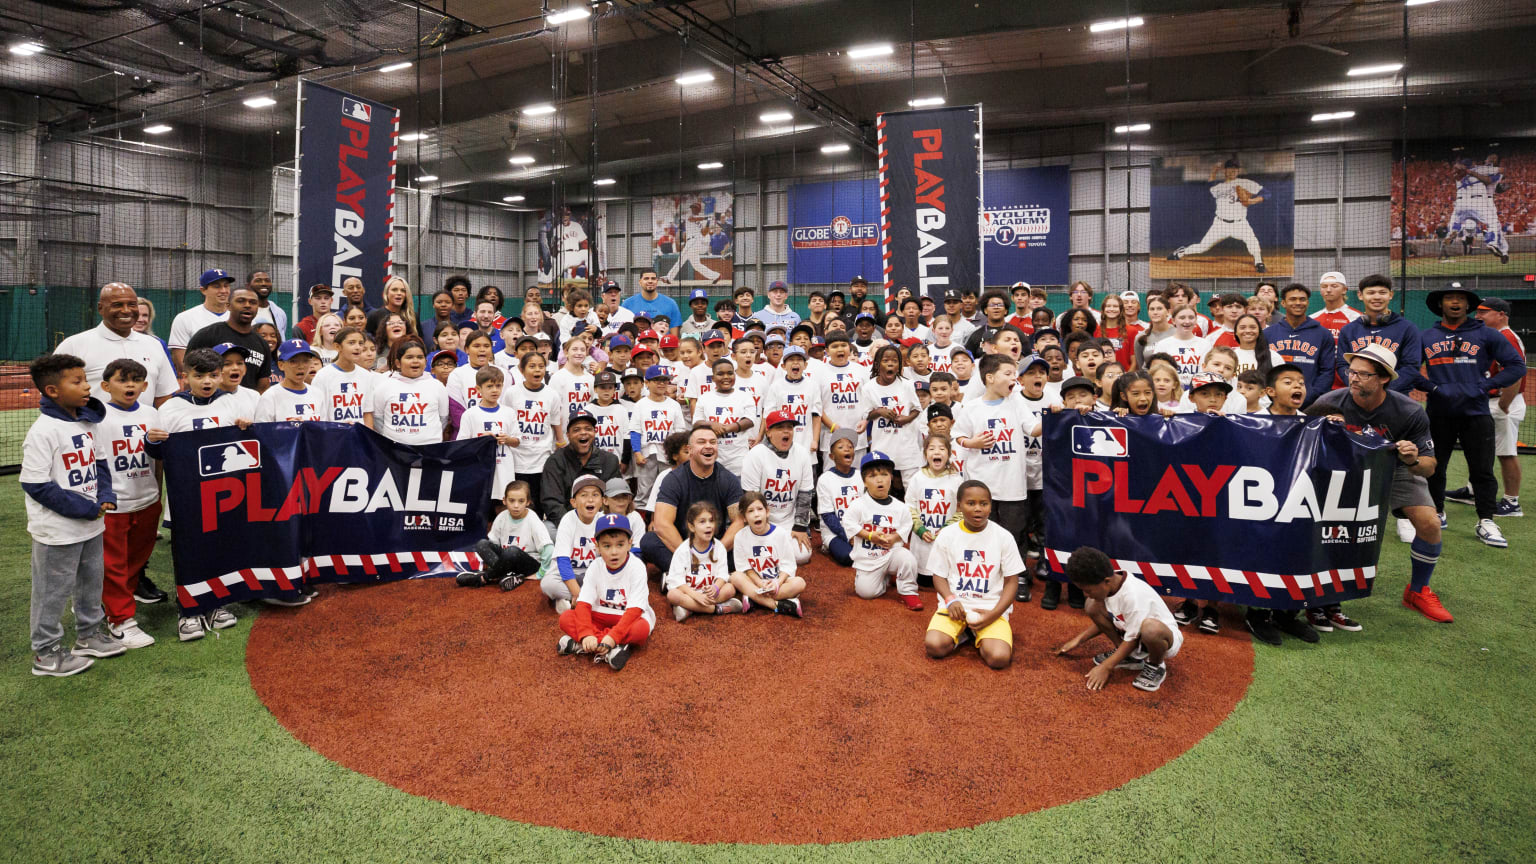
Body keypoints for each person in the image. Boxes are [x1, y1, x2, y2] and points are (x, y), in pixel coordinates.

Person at [1307, 344, 1450, 622]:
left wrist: (1411, 459)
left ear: (1384, 378)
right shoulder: (1330, 401)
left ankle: (1418, 591)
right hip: (1344, 472)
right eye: (1351, 372)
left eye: (1363, 374)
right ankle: (1319, 587)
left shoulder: (1409, 411)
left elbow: (1429, 467)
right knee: (1327, 527)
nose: (1353, 378)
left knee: (1429, 523)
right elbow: (1301, 437)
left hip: (1394, 468)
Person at [21, 353, 127, 676]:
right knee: (52, 591)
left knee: (90, 584)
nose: (86, 387)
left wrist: (105, 496)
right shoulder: (43, 431)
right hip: (58, 531)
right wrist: (86, 508)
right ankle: (47, 652)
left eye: (85, 379)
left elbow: (100, 463)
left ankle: (89, 634)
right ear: (53, 390)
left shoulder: (85, 422)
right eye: (77, 381)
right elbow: (36, 484)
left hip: (91, 526)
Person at [1417, 283, 1525, 549]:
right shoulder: (1426, 336)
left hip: (1476, 413)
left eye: (1460, 299)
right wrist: (1432, 387)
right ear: (1440, 304)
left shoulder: (1486, 334)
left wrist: (1484, 386)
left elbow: (1516, 366)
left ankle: (1486, 521)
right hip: (1438, 414)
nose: (1455, 302)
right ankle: (1437, 512)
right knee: (1434, 467)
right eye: (1449, 298)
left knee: (1482, 470)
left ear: (1468, 305)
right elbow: (1408, 370)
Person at [152, 349, 251, 640]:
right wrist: (151, 441)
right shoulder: (170, 408)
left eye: (213, 375)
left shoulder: (231, 404)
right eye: (199, 375)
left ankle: (217, 603)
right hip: (187, 497)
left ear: (220, 375)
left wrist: (246, 430)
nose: (207, 381)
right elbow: (158, 453)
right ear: (185, 376)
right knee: (188, 554)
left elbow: (246, 452)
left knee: (221, 550)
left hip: (223, 495)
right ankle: (189, 610)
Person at [92, 359, 165, 649]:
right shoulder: (97, 416)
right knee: (113, 564)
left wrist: (157, 494)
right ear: (106, 386)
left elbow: (158, 458)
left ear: (145, 386)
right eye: (123, 380)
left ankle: (103, 602)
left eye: (136, 380)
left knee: (137, 558)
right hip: (114, 504)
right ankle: (121, 621)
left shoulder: (151, 413)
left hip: (146, 498)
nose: (130, 385)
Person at [923, 480, 1024, 670]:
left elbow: (1012, 581)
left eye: (983, 504)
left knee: (999, 658)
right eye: (971, 503)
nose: (978, 509)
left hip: (990, 609)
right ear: (959, 505)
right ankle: (966, 633)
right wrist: (950, 600)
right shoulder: (947, 535)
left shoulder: (1003, 537)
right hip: (956, 607)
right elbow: (938, 575)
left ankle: (976, 633)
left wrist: (995, 614)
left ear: (990, 506)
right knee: (934, 647)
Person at [1054, 546, 1181, 693]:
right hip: (1134, 633)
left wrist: (1106, 666)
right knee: (1092, 605)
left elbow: (1133, 638)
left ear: (1106, 581)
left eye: (1088, 590)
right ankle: (1131, 658)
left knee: (1150, 629)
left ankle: (1156, 665)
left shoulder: (1133, 596)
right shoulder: (1112, 583)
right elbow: (1115, 618)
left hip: (1162, 638)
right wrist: (1079, 640)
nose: (1085, 594)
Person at [1444, 298, 1524, 519]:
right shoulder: (1488, 335)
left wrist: (1503, 405)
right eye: (1477, 312)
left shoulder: (1506, 336)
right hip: (1489, 401)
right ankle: (1472, 491)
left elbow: (1515, 373)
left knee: (1506, 452)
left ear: (1501, 314)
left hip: (1503, 401)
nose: (1478, 316)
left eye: (1484, 312)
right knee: (1481, 450)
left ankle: (1512, 502)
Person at [556, 512, 654, 672]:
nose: (614, 552)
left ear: (630, 544)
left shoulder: (637, 567)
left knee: (641, 630)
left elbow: (635, 610)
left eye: (620, 545)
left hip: (627, 616)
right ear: (597, 547)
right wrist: (587, 633)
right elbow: (583, 603)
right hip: (599, 615)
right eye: (607, 546)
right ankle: (610, 650)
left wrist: (612, 637)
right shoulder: (595, 566)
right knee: (566, 618)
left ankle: (581, 645)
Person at [56, 283, 178, 408]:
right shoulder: (73, 345)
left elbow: (163, 396)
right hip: (90, 426)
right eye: (117, 305)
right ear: (100, 308)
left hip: (144, 427)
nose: (126, 310)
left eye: (132, 304)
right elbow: (55, 395)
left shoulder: (154, 344)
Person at [642, 425, 744, 573]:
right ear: (689, 450)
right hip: (681, 543)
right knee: (649, 541)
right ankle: (704, 573)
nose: (708, 446)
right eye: (702, 442)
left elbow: (739, 522)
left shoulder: (728, 479)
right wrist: (690, 556)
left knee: (748, 541)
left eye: (713, 442)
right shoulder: (673, 480)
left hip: (715, 544)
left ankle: (682, 576)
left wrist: (716, 552)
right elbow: (662, 524)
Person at [846, 451, 921, 610]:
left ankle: (908, 591)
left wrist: (894, 538)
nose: (879, 479)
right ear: (864, 482)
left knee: (907, 558)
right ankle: (886, 579)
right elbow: (848, 522)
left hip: (890, 554)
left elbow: (907, 525)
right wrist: (870, 535)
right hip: (868, 559)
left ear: (891, 477)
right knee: (866, 593)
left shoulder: (900, 507)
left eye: (884, 474)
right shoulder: (858, 504)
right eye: (872, 476)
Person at [1165, 157, 1267, 274]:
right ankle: (1180, 253)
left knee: (1252, 241)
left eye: (1235, 169)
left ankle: (1259, 262)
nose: (1233, 171)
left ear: (1238, 171)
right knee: (1202, 247)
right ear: (1225, 171)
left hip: (1240, 223)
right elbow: (1210, 186)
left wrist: (1252, 201)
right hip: (1220, 224)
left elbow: (1266, 193)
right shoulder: (1218, 187)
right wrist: (1214, 171)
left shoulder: (1246, 183)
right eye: (1230, 169)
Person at [740, 409, 816, 565]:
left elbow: (805, 493)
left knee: (803, 555)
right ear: (768, 432)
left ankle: (778, 552)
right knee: (759, 558)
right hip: (764, 520)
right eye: (780, 427)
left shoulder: (802, 453)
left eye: (790, 427)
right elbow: (751, 499)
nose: (786, 431)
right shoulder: (755, 455)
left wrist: (800, 526)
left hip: (789, 520)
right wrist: (762, 529)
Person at [456, 480, 552, 591]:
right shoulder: (501, 517)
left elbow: (549, 550)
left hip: (529, 565)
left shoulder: (533, 520)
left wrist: (540, 574)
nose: (516, 505)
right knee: (482, 544)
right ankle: (507, 576)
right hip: (507, 561)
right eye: (512, 501)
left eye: (521, 501)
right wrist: (499, 563)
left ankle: (484, 578)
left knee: (512, 551)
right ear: (504, 501)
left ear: (528, 502)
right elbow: (493, 545)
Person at [1335, 275, 1423, 394]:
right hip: (1359, 396)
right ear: (1360, 295)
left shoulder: (1407, 328)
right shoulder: (1349, 330)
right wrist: (1360, 386)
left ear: (1390, 295)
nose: (1377, 297)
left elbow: (1411, 367)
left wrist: (1382, 390)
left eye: (1382, 292)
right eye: (1371, 293)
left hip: (1395, 397)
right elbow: (1342, 365)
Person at [728, 491, 807, 616]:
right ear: (744, 517)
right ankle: (777, 605)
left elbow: (788, 565)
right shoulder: (740, 537)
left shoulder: (780, 534)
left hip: (778, 583)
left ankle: (754, 599)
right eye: (750, 511)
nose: (756, 514)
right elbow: (745, 569)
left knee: (799, 583)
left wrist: (776, 584)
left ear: (767, 512)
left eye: (760, 509)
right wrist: (760, 583)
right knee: (735, 577)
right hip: (755, 583)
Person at [663, 501, 743, 620]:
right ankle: (716, 609)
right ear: (691, 527)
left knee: (730, 588)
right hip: (690, 593)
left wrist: (715, 587)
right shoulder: (683, 550)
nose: (708, 525)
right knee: (672, 595)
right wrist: (695, 595)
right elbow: (677, 580)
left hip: (710, 594)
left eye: (711, 520)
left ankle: (689, 609)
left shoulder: (719, 547)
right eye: (702, 522)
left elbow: (722, 574)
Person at [502, 351, 560, 514]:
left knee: (537, 503)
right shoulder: (512, 393)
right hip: (517, 457)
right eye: (532, 366)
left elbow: (556, 423)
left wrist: (560, 444)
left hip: (542, 457)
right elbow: (506, 419)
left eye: (541, 366)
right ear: (521, 370)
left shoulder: (552, 394)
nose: (537, 370)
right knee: (517, 503)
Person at [859, 345, 923, 491]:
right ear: (877, 364)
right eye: (886, 360)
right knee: (881, 484)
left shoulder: (907, 385)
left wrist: (906, 419)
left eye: (894, 361)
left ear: (899, 365)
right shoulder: (869, 388)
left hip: (906, 445)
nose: (890, 364)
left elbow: (917, 409)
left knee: (911, 487)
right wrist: (879, 411)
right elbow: (866, 414)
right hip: (883, 445)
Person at [186, 284, 273, 391]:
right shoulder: (207, 335)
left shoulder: (262, 343)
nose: (247, 305)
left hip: (247, 406)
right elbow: (189, 373)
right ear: (228, 305)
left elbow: (263, 384)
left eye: (253, 302)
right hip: (212, 404)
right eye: (241, 301)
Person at [456, 365, 518, 513]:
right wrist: (480, 440)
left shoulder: (508, 413)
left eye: (498, 386)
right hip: (479, 471)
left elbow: (517, 441)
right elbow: (461, 445)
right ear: (478, 389)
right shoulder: (470, 414)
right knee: (481, 510)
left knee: (502, 508)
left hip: (503, 470)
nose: (495, 390)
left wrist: (507, 439)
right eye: (489, 386)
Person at [1264, 283, 1335, 407]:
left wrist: (1308, 396)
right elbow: (1262, 368)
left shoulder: (1323, 334)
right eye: (1292, 299)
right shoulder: (1268, 333)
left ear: (1307, 303)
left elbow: (1327, 372)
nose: (1298, 303)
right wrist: (1271, 396)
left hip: (1310, 403)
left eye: (1302, 299)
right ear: (1283, 303)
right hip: (1273, 403)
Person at [907, 434, 963, 586]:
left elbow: (962, 510)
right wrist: (919, 529)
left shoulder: (956, 479)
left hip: (946, 538)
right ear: (925, 454)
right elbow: (909, 507)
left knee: (945, 577)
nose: (937, 452)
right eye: (931, 449)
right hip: (922, 540)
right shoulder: (917, 478)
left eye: (942, 448)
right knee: (924, 581)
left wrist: (946, 529)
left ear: (949, 454)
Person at [370, 339, 449, 445]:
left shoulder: (437, 386)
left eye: (420, 357)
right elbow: (378, 419)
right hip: (395, 450)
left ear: (425, 362)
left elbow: (443, 418)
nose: (415, 361)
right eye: (409, 357)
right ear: (398, 363)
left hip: (431, 448)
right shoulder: (384, 387)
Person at [546, 474, 605, 614]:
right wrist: (577, 592)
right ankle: (587, 600)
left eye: (595, 495)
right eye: (584, 495)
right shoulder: (568, 520)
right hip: (568, 576)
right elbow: (563, 561)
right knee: (548, 584)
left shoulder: (603, 520)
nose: (590, 499)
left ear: (602, 501)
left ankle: (569, 602)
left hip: (591, 575)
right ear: (573, 502)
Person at [629, 365, 685, 504]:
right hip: (647, 453)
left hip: (668, 454)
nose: (661, 383)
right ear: (646, 382)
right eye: (657, 380)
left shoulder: (674, 405)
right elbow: (635, 431)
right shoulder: (641, 404)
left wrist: (677, 454)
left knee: (668, 489)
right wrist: (637, 453)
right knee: (644, 493)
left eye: (664, 380)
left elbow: (679, 433)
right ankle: (643, 523)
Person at [168, 269, 233, 371]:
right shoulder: (184, 318)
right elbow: (181, 361)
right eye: (217, 286)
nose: (223, 291)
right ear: (203, 290)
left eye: (226, 286)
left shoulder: (238, 318)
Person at [311, 326, 375, 426]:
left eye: (361, 343)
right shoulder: (323, 376)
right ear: (337, 347)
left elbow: (367, 413)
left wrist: (367, 439)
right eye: (351, 343)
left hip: (359, 437)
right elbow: (318, 415)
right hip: (334, 436)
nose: (358, 347)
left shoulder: (366, 376)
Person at [254, 340, 322, 422]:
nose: (301, 366)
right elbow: (261, 432)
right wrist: (286, 428)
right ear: (281, 365)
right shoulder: (270, 396)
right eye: (293, 361)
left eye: (305, 361)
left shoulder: (318, 394)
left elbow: (324, 430)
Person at [1309, 271, 1359, 341]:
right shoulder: (1312, 319)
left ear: (1344, 290)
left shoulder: (1356, 318)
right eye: (1324, 286)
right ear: (1320, 290)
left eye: (1334, 286)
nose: (1328, 290)